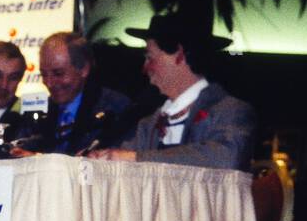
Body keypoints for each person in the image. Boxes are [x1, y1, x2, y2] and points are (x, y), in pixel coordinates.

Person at [89, 15, 256, 171]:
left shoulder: (230, 111)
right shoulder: (150, 123)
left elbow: (226, 158)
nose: (145, 67)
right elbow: (123, 156)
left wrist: (137, 158)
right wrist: (100, 159)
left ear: (179, 54)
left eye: (150, 58)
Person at [18, 32, 132, 155]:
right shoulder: (39, 110)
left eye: (58, 73)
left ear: (84, 69)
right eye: (44, 74)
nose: (49, 83)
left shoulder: (113, 107)